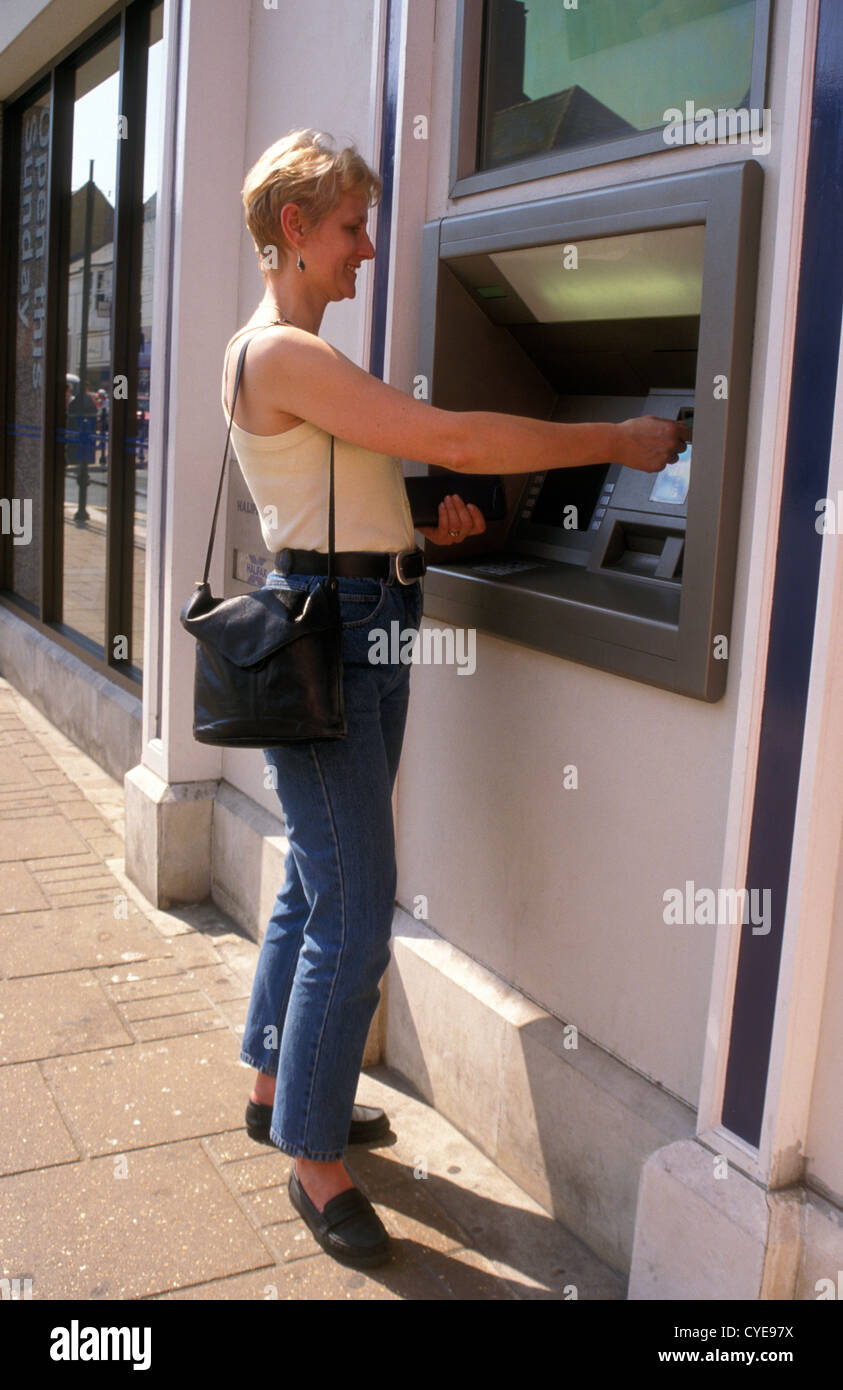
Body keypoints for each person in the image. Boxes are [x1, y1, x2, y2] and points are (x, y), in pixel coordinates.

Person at [224, 129, 688, 1269]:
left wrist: (423, 530)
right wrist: (621, 439)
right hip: (327, 637)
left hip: (366, 620)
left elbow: (346, 488)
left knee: (317, 877)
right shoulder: (282, 352)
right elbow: (455, 434)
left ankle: (277, 1078)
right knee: (358, 896)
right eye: (349, 228)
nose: (367, 250)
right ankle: (314, 1156)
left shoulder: (305, 357)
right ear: (295, 227)